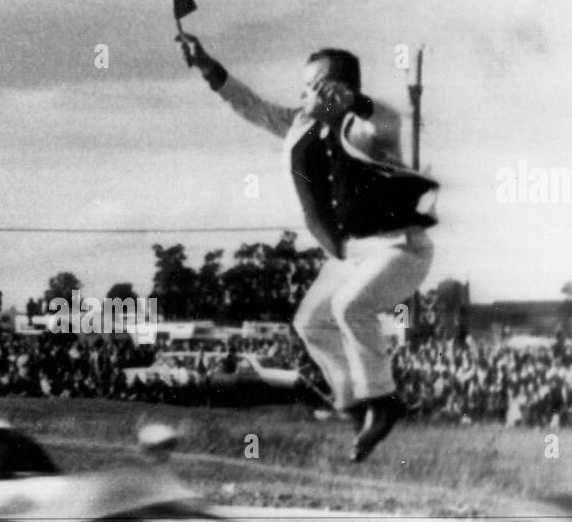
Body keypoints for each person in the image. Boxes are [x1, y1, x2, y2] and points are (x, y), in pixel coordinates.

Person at [178, 32, 438, 461]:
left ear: (338, 90)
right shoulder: (300, 123)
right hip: (349, 253)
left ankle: (384, 401)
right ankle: (355, 404)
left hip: (398, 247)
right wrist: (207, 66)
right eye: (303, 86)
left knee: (350, 307)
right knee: (312, 323)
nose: (303, 94)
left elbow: (389, 123)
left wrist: (357, 103)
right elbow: (251, 105)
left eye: (313, 86)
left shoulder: (364, 127)